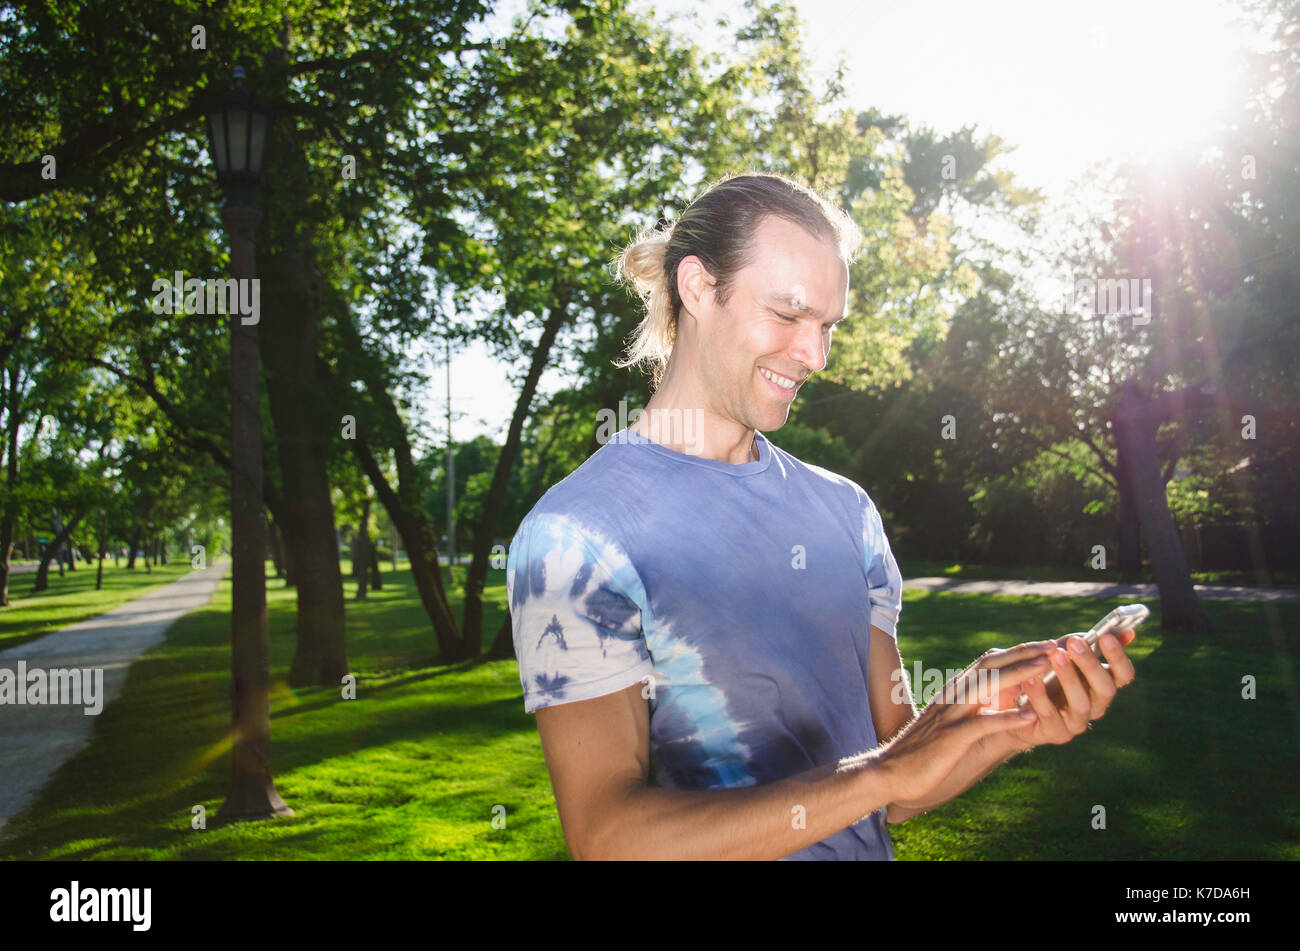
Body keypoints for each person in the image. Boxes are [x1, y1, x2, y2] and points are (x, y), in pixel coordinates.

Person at [505, 171, 1137, 860]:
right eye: (787, 315)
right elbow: (607, 837)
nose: (814, 355)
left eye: (827, 326)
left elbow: (895, 785)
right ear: (697, 288)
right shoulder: (576, 533)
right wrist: (884, 770)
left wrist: (1002, 724)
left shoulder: (847, 512)